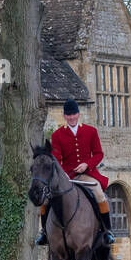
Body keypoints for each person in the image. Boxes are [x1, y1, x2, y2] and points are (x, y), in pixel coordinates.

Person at [37, 98, 115, 246]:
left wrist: (87, 164)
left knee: (99, 194)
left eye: (74, 114)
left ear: (78, 114)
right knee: (45, 199)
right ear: (64, 116)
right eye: (68, 115)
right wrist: (63, 174)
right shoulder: (57, 135)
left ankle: (107, 231)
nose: (71, 117)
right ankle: (44, 234)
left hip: (87, 174)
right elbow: (57, 158)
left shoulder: (91, 131)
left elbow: (98, 154)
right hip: (66, 176)